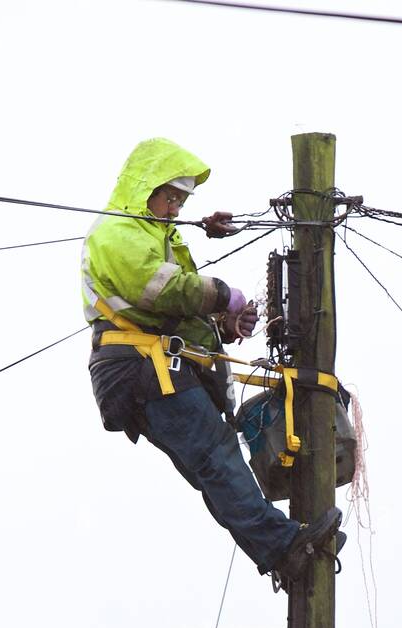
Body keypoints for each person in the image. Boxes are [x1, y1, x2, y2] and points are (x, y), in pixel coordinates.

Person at [82, 137, 343, 585]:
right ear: (146, 188)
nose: (176, 209)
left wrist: (223, 324)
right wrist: (222, 294)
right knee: (217, 457)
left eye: (182, 201)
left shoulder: (156, 236)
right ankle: (283, 545)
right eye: (171, 198)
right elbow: (161, 290)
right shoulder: (118, 233)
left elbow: (174, 316)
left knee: (215, 466)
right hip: (139, 366)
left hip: (148, 364)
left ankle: (281, 552)